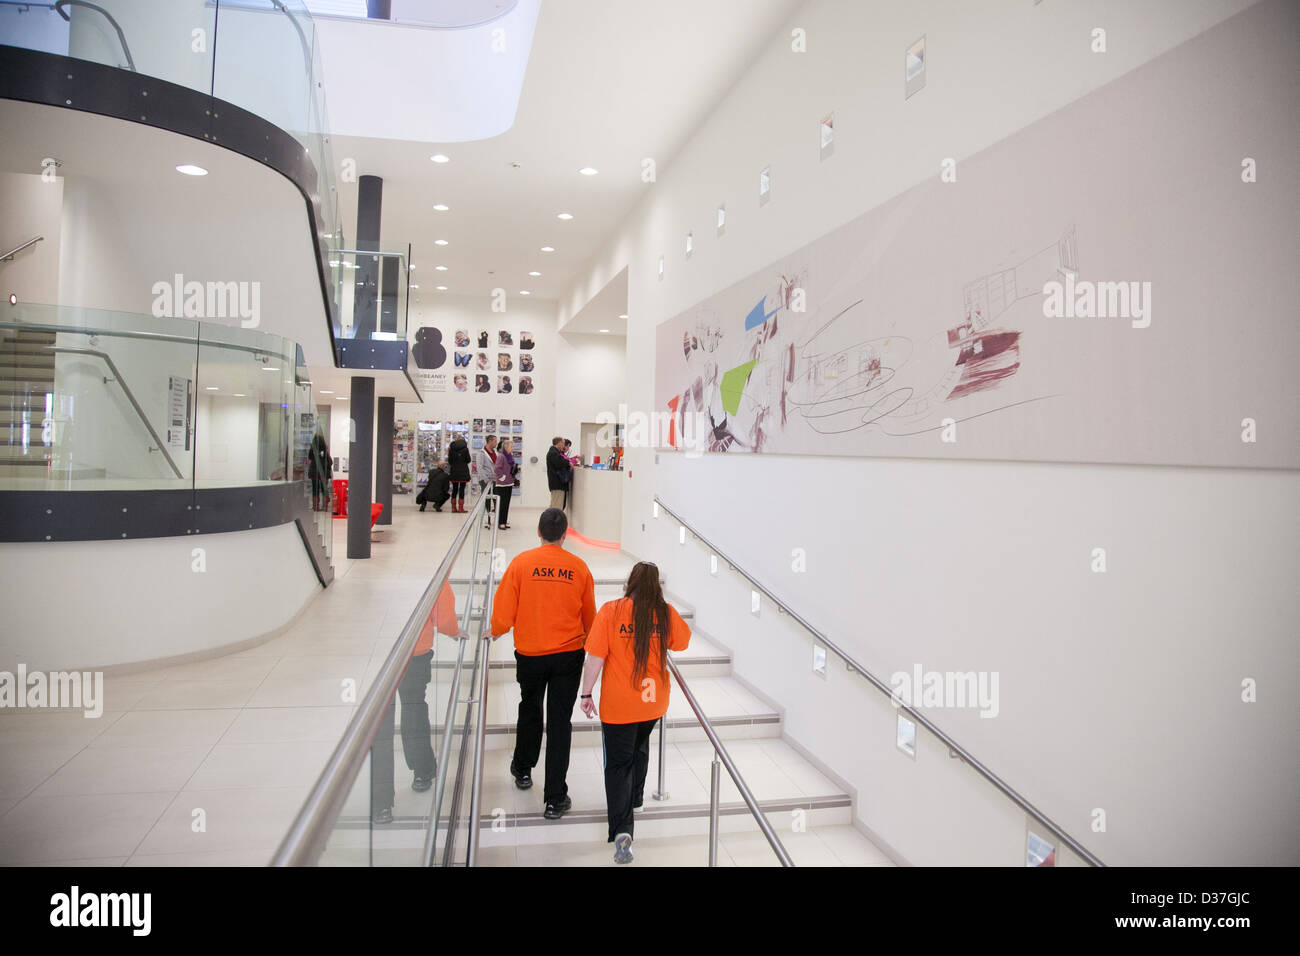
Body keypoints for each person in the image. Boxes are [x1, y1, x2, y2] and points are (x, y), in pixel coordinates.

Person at [579, 562, 691, 863]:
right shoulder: (664, 614)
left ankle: (622, 829)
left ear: (630, 582)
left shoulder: (612, 610)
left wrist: (587, 692)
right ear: (657, 586)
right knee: (640, 747)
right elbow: (682, 641)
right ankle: (637, 799)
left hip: (619, 707)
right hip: (653, 703)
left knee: (618, 764)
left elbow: (595, 659)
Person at [490, 508, 597, 820]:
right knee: (560, 723)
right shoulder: (578, 568)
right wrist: (595, 645)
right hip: (567, 655)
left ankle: (523, 769)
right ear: (565, 535)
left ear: (538, 533)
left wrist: (495, 630)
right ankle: (554, 798)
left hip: (531, 653)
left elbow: (504, 607)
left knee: (530, 708)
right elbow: (589, 615)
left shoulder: (522, 564)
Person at [371, 578, 460, 824]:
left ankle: (381, 804)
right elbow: (443, 618)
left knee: (380, 727)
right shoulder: (434, 569)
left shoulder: (376, 572)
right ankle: (422, 772)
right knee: (414, 711)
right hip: (415, 653)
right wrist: (454, 632)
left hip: (381, 655)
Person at [493, 437, 517, 530]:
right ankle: (500, 522)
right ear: (506, 447)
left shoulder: (510, 456)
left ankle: (504, 521)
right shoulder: (501, 456)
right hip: (502, 484)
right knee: (502, 504)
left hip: (509, 483)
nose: (513, 448)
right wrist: (502, 477)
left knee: (506, 504)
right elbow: (497, 469)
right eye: (512, 446)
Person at [475, 434, 498, 522]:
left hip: (495, 480)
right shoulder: (481, 453)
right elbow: (480, 468)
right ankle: (487, 520)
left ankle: (497, 519)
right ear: (490, 441)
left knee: (496, 499)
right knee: (486, 500)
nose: (496, 443)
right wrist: (486, 480)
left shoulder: (495, 452)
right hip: (486, 481)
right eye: (495, 441)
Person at [447, 434, 471, 512]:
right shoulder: (465, 449)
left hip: (454, 471)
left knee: (454, 489)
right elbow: (468, 460)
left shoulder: (451, 449)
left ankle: (453, 508)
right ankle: (461, 508)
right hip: (463, 471)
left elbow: (450, 461)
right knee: (462, 489)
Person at [546, 436, 570, 512]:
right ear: (559, 443)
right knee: (556, 507)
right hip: (557, 484)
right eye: (563, 443)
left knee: (555, 505)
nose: (564, 446)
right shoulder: (553, 453)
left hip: (558, 484)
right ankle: (552, 523)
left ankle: (549, 522)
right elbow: (560, 463)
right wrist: (568, 463)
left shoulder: (555, 452)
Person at [308, 432, 331, 511]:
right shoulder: (325, 450)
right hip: (324, 474)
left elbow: (310, 457)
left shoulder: (313, 449)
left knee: (315, 490)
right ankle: (325, 507)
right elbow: (330, 462)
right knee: (324, 490)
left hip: (314, 474)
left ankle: (315, 507)